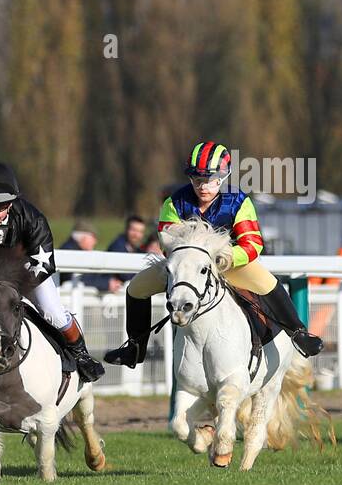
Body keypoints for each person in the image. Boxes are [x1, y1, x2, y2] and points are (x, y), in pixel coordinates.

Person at [104, 141, 324, 367]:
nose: (203, 186)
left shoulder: (239, 201)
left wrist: (224, 258)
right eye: (197, 180)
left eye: (209, 180)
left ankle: (298, 333)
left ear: (222, 178)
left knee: (268, 282)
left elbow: (253, 243)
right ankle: (135, 348)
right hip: (186, 268)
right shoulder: (174, 202)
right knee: (136, 288)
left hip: (228, 265)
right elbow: (165, 240)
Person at [0, 159, 104, 415]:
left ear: (12, 202)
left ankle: (81, 354)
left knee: (53, 312)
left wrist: (14, 290)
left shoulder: (32, 218)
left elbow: (43, 262)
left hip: (25, 277)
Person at [59, 220, 116, 291]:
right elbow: (73, 279)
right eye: (93, 237)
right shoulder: (69, 252)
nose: (95, 241)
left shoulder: (76, 250)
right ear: (83, 237)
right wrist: (106, 283)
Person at [106, 215, 146, 285]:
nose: (136, 235)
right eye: (134, 230)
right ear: (126, 230)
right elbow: (125, 275)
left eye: (140, 232)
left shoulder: (136, 249)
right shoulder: (117, 247)